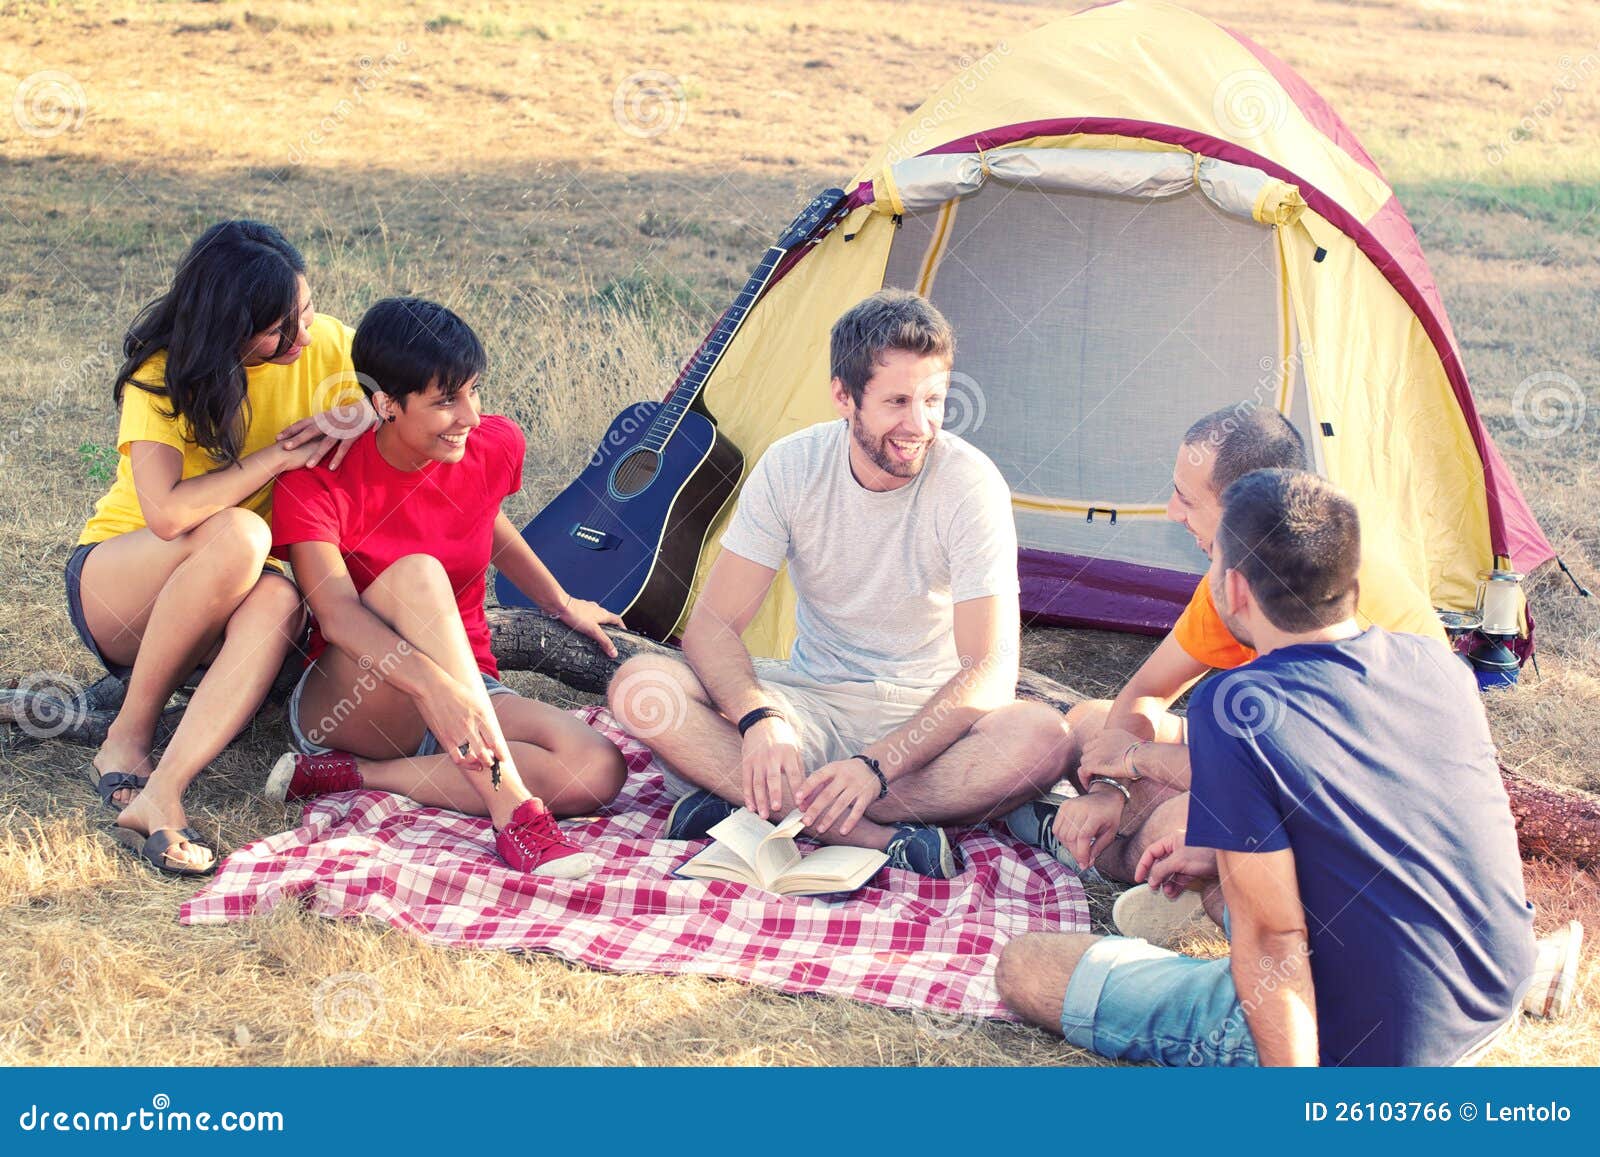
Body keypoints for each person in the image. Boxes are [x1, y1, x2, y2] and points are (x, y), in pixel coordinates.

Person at [996, 468, 1538, 1066]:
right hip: (1490, 996)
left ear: (1236, 588)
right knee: (1220, 877)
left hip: (1366, 1047)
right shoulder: (1433, 663)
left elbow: (1273, 939)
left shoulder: (1234, 708)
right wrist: (1221, 857)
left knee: (1026, 966)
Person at [605, 289, 1069, 879]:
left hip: (923, 724)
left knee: (1044, 738)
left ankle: (766, 803)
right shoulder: (791, 465)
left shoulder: (970, 484)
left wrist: (877, 766)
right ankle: (862, 828)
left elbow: (989, 669)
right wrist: (758, 719)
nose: (919, 425)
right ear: (843, 397)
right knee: (641, 686)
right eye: (897, 401)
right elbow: (713, 626)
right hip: (810, 700)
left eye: (934, 400)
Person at [1002, 405, 1444, 922]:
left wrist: (1139, 763)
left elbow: (1302, 786)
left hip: (1351, 808)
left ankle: (1116, 857)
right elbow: (1147, 690)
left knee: (1184, 826)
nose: (1171, 511)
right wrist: (1109, 787)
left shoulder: (1343, 610)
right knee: (1092, 723)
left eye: (1187, 499)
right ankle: (1117, 840)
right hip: (1277, 766)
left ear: (1240, 511)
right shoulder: (1240, 570)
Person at [265, 298, 626, 878]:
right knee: (419, 573)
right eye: (444, 402)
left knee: (599, 768)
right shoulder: (318, 481)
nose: (471, 417)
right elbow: (335, 616)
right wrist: (436, 691)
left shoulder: (491, 447)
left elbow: (487, 521)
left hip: (467, 684)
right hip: (358, 697)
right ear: (384, 404)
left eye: (472, 392)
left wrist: (560, 603)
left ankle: (352, 776)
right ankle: (514, 815)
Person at [68, 220, 373, 876]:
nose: (303, 338)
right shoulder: (162, 374)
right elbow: (168, 513)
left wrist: (370, 411)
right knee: (244, 532)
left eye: (306, 312)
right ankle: (127, 735)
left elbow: (407, 385)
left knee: (280, 598)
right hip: (122, 586)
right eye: (278, 329)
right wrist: (275, 458)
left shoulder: (325, 346)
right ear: (228, 327)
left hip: (233, 586)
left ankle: (162, 791)